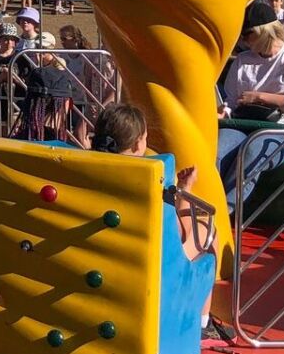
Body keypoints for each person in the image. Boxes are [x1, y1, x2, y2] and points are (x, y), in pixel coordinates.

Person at [215, 2, 284, 208]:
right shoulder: (242, 60)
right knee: (217, 151)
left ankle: (225, 212)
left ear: (263, 33)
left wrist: (260, 97)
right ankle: (200, 208)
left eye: (246, 35)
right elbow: (231, 99)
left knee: (253, 151)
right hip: (245, 123)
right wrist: (225, 110)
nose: (243, 40)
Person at [89, 104, 207, 261]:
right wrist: (184, 189)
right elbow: (179, 235)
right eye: (145, 138)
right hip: (142, 262)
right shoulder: (152, 179)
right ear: (137, 144)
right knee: (206, 229)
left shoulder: (81, 168)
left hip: (94, 253)